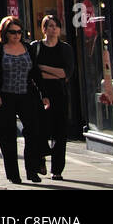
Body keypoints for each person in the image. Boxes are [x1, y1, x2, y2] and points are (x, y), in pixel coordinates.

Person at [0, 16, 49, 184]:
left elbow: (35, 73)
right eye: (12, 32)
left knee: (33, 132)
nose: (16, 35)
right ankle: (13, 174)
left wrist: (44, 94)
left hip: (26, 95)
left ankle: (32, 170)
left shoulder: (27, 48)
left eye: (19, 32)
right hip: (5, 97)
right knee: (7, 136)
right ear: (5, 33)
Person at [31, 14, 74, 180]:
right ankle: (40, 160)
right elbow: (34, 73)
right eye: (50, 25)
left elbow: (66, 73)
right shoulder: (36, 47)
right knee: (41, 130)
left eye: (56, 25)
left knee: (59, 132)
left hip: (60, 93)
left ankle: (57, 169)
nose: (54, 28)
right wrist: (50, 73)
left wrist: (43, 68)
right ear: (43, 29)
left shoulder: (65, 49)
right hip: (40, 94)